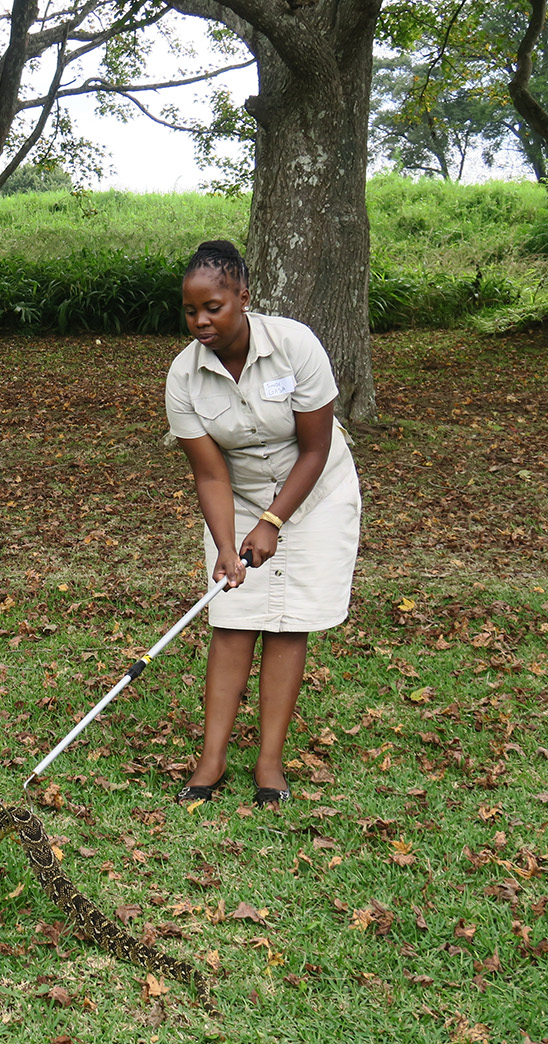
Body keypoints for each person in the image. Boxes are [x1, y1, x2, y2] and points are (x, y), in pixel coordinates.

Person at [164, 240, 361, 807]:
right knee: (232, 616)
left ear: (243, 297)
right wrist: (228, 545)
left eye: (214, 307)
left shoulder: (295, 346)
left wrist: (276, 520)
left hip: (315, 491)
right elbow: (210, 475)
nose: (200, 320)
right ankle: (211, 761)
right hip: (241, 495)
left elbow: (316, 448)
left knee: (288, 620)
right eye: (190, 310)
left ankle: (269, 763)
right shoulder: (184, 377)